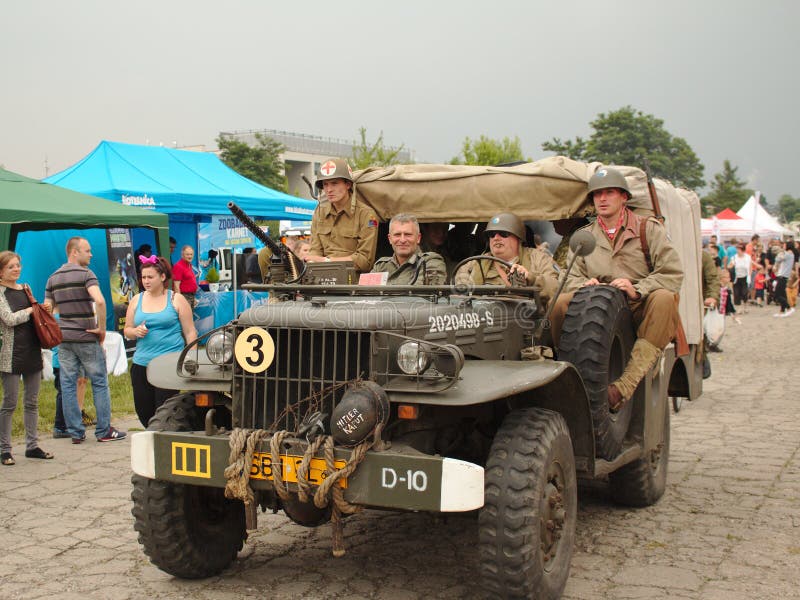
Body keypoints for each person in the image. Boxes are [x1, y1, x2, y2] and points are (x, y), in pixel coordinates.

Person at [549, 167, 683, 412]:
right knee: (559, 305)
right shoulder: (583, 237)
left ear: (624, 197)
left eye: (609, 193)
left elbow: (671, 273)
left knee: (665, 299)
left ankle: (624, 386)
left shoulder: (647, 229)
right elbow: (569, 277)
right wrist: (584, 286)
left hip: (636, 306)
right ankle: (571, 374)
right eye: (597, 194)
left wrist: (638, 289)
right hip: (595, 308)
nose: (602, 199)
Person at [44, 237, 126, 444]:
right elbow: (99, 299)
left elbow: (47, 309)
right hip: (86, 336)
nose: (91, 254)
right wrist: (100, 329)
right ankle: (104, 431)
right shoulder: (86, 274)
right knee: (99, 382)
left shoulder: (53, 278)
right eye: (87, 251)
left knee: (68, 384)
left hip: (64, 339)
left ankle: (75, 432)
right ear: (74, 252)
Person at [124, 256, 197, 427]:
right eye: (143, 277)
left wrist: (191, 357)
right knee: (143, 410)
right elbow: (127, 330)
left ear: (162, 277)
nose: (146, 281)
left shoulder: (176, 299)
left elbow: (190, 331)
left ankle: (162, 442)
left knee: (165, 411)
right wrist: (135, 331)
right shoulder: (136, 300)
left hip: (168, 363)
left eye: (150, 277)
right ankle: (153, 437)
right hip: (142, 363)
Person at [0, 251, 54, 464]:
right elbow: (8, 319)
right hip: (11, 353)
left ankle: (32, 445)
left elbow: (35, 313)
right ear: (1, 271)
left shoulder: (26, 289)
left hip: (32, 349)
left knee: (32, 401)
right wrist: (31, 311)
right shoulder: (1, 293)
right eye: (11, 266)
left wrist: (41, 309)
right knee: (9, 402)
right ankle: (5, 448)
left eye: (18, 265)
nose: (16, 269)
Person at [465, 213, 559, 306]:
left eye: (503, 234)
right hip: (485, 315)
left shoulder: (539, 258)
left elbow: (557, 289)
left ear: (518, 238)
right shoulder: (476, 263)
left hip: (528, 317)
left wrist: (532, 279)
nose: (496, 238)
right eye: (492, 234)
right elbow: (458, 292)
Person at [305, 158, 379, 274]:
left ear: (348, 184)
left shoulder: (366, 214)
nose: (329, 190)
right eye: (325, 184)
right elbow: (315, 251)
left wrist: (327, 261)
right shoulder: (320, 212)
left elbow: (364, 260)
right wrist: (312, 262)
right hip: (321, 277)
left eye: (334, 183)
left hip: (352, 282)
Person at [371, 214, 448, 285]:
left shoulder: (431, 262)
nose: (402, 240)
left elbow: (428, 294)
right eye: (397, 235)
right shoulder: (381, 266)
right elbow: (366, 294)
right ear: (390, 239)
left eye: (408, 235)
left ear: (418, 238)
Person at [772, 239, 795, 317]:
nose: (783, 246)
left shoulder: (788, 254)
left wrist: (779, 253)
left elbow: (777, 259)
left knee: (777, 295)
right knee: (783, 294)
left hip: (782, 276)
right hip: (783, 276)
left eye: (784, 245)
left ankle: (789, 308)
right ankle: (782, 311)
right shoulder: (790, 254)